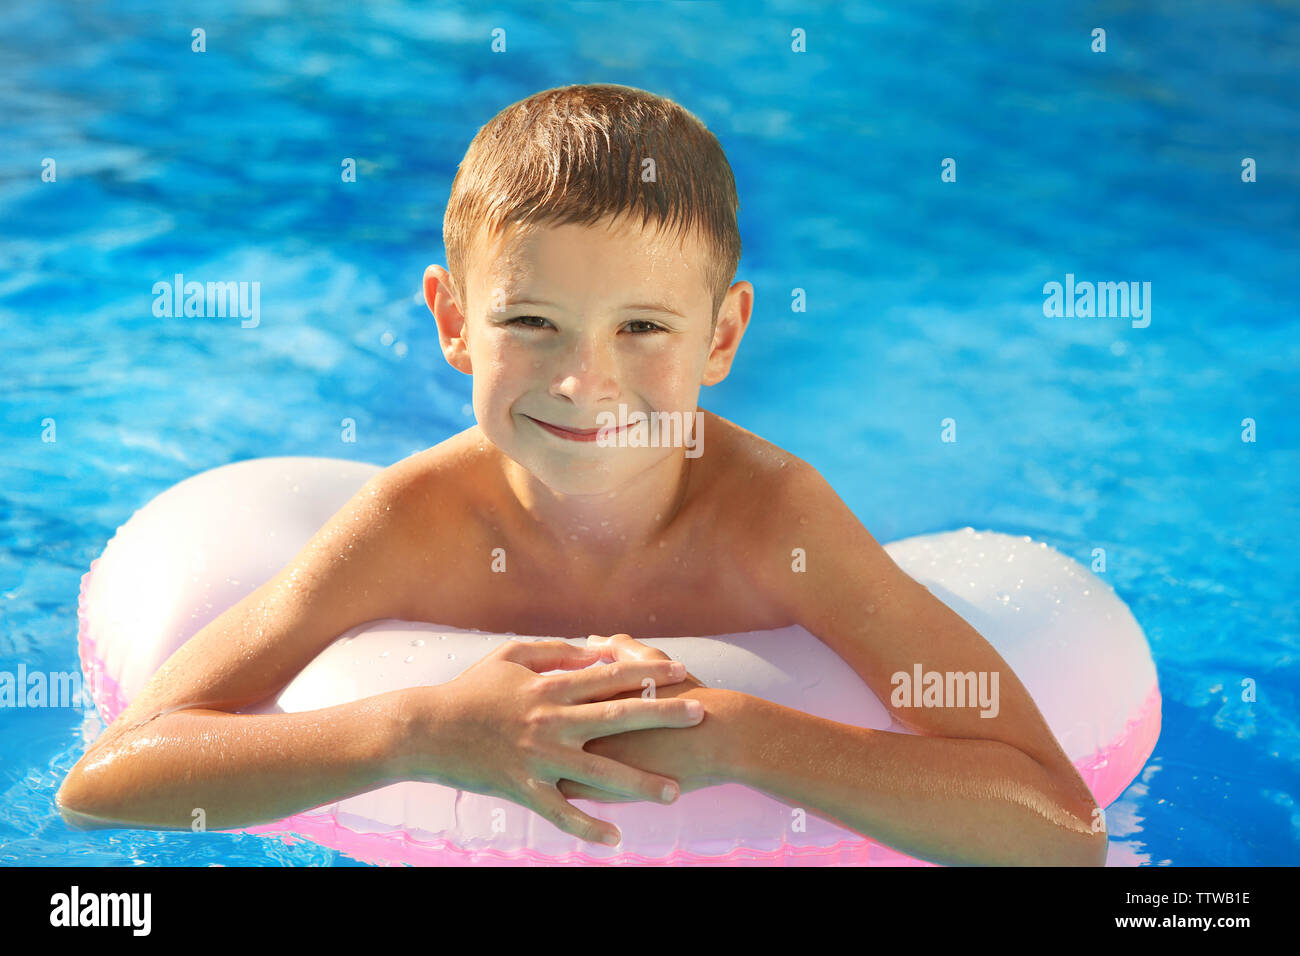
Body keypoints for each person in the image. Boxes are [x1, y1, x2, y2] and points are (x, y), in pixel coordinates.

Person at [57, 84, 1105, 865]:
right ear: (454, 321)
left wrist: (743, 735)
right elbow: (107, 780)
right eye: (530, 322)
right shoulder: (415, 520)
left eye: (643, 326)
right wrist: (415, 730)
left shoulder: (772, 521)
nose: (582, 378)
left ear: (723, 333)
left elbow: (1062, 830)